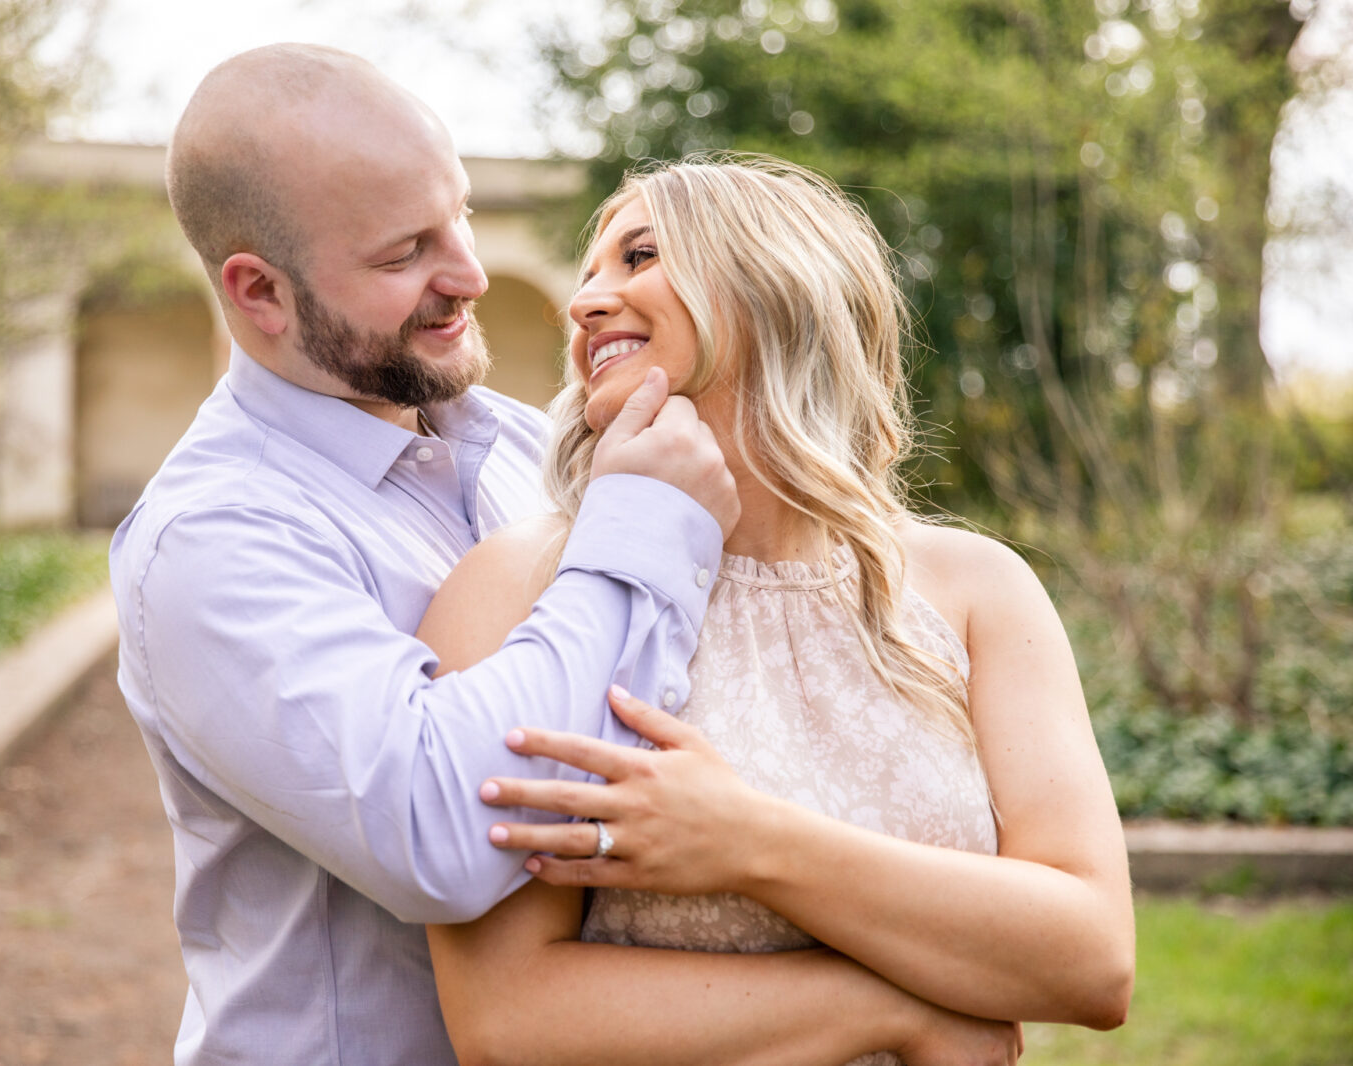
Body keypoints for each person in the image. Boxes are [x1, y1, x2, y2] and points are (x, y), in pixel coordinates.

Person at [418, 155, 1136, 1065]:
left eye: (639, 257)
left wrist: (749, 841)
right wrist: (899, 1012)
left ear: (775, 285)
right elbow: (507, 1019)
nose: (585, 301)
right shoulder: (518, 588)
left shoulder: (975, 590)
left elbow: (1093, 959)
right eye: (590, 272)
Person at [109, 44, 737, 1064]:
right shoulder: (208, 542)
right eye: (405, 254)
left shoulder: (526, 447)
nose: (471, 275)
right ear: (261, 292)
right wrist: (642, 528)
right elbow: (445, 829)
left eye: (462, 215)